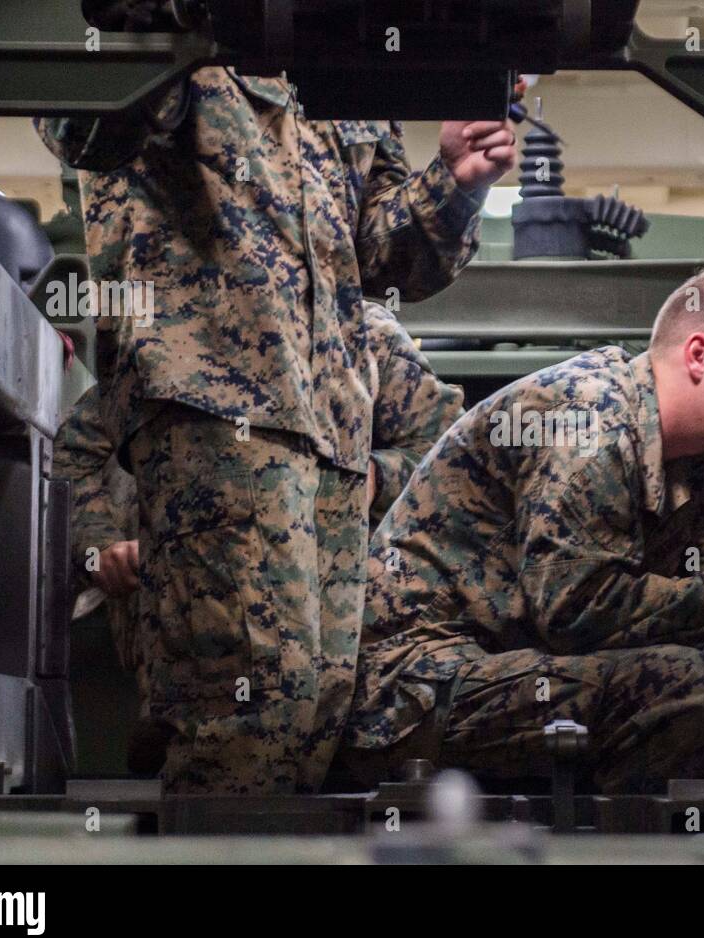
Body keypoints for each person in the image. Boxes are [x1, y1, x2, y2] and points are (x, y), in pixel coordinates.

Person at [37, 64, 514, 793]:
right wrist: (165, 28)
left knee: (319, 711)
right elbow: (84, 126)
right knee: (247, 710)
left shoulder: (337, 51)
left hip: (333, 430)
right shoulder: (176, 37)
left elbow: (383, 257)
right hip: (213, 402)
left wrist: (454, 182)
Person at [337, 266, 704, 793]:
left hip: (510, 667)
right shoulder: (589, 418)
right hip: (412, 691)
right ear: (699, 354)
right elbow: (576, 612)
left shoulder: (693, 458)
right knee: (693, 690)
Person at [55, 303, 465, 771]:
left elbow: (445, 459)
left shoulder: (368, 337)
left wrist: (371, 476)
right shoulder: (177, 328)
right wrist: (99, 546)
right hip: (191, 620)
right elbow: (75, 450)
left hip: (333, 615)